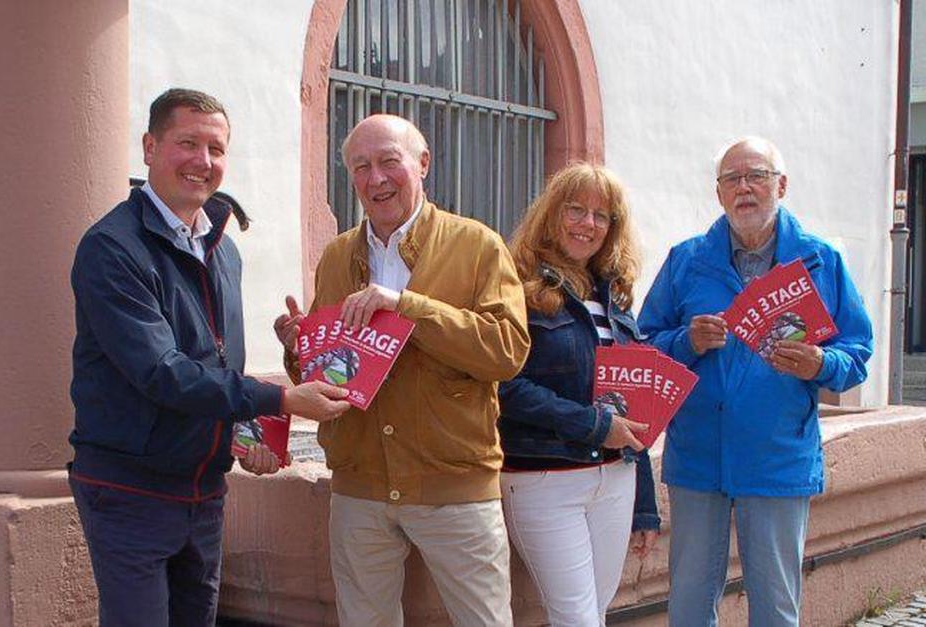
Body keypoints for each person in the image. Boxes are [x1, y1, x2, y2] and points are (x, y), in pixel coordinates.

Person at [68, 88, 351, 626]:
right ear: (150, 147)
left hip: (203, 487)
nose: (203, 162)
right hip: (131, 487)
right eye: (187, 143)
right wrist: (283, 397)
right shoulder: (112, 247)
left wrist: (252, 436)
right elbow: (162, 372)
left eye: (216, 149)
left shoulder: (223, 248)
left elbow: (217, 365)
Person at [273, 114, 531, 626]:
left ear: (423, 164)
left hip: (453, 482)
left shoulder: (478, 246)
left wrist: (407, 307)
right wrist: (300, 348)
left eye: (390, 161)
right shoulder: (336, 256)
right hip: (359, 484)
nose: (376, 178)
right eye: (361, 166)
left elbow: (506, 350)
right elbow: (333, 371)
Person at [638, 137, 873, 626]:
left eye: (757, 176)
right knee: (688, 601)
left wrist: (821, 365)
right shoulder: (685, 260)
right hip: (699, 456)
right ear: (719, 193)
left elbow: (858, 350)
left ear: (781, 185)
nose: (744, 188)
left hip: (777, 457)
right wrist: (686, 340)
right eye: (732, 179)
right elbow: (645, 346)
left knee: (775, 605)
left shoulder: (819, 261)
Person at [497, 163, 660, 626]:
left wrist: (645, 505)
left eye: (601, 216)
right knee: (577, 619)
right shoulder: (518, 289)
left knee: (595, 613)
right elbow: (504, 387)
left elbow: (633, 403)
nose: (588, 224)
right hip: (545, 478)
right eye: (575, 210)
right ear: (551, 214)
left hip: (615, 479)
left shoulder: (616, 299)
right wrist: (594, 425)